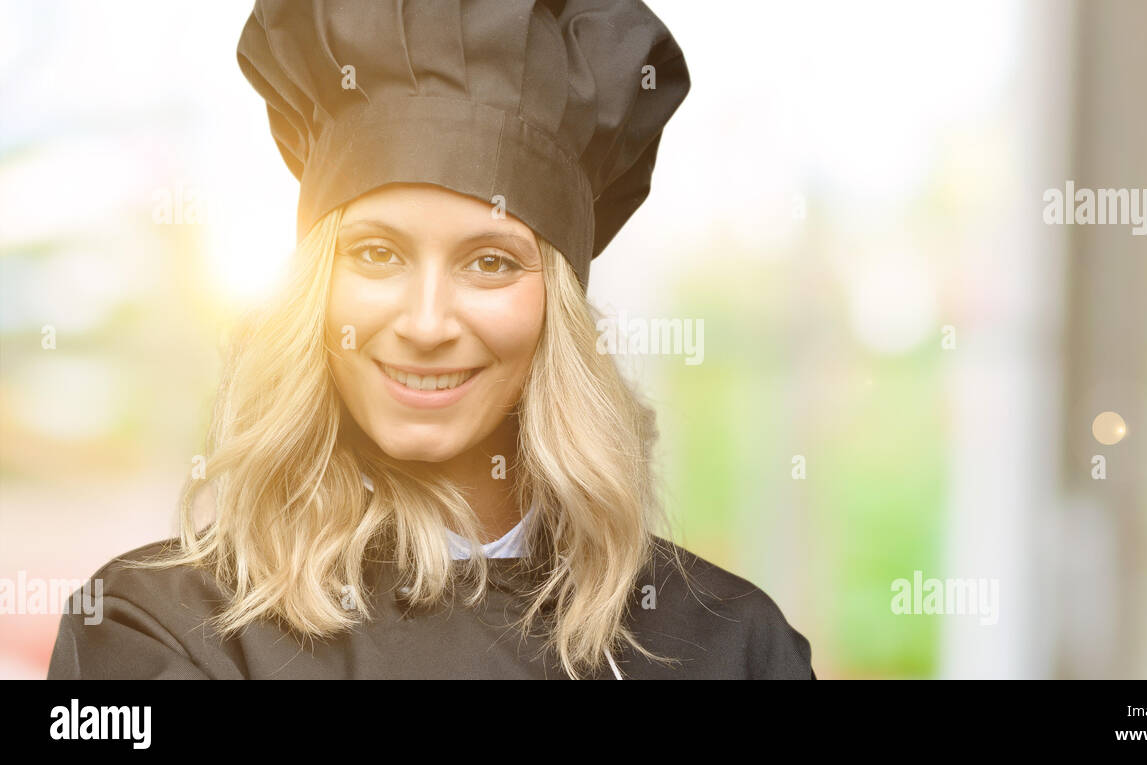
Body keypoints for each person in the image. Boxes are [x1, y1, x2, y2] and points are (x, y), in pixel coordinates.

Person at [47, 0, 814, 680]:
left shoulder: (729, 644)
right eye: (378, 253)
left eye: (490, 262)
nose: (424, 322)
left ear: (559, 313)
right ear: (316, 288)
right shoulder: (158, 629)